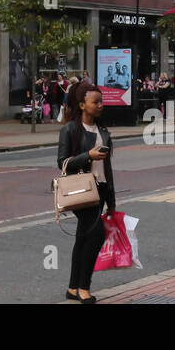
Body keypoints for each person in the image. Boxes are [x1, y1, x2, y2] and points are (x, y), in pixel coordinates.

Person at [56, 81, 115, 303]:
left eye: (101, 101)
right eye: (95, 102)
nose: (100, 105)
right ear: (82, 105)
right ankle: (84, 287)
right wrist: (88, 156)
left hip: (100, 189)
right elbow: (62, 162)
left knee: (83, 238)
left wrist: (112, 201)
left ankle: (73, 288)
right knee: (96, 234)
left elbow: (107, 168)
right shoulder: (70, 129)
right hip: (81, 189)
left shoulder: (102, 130)